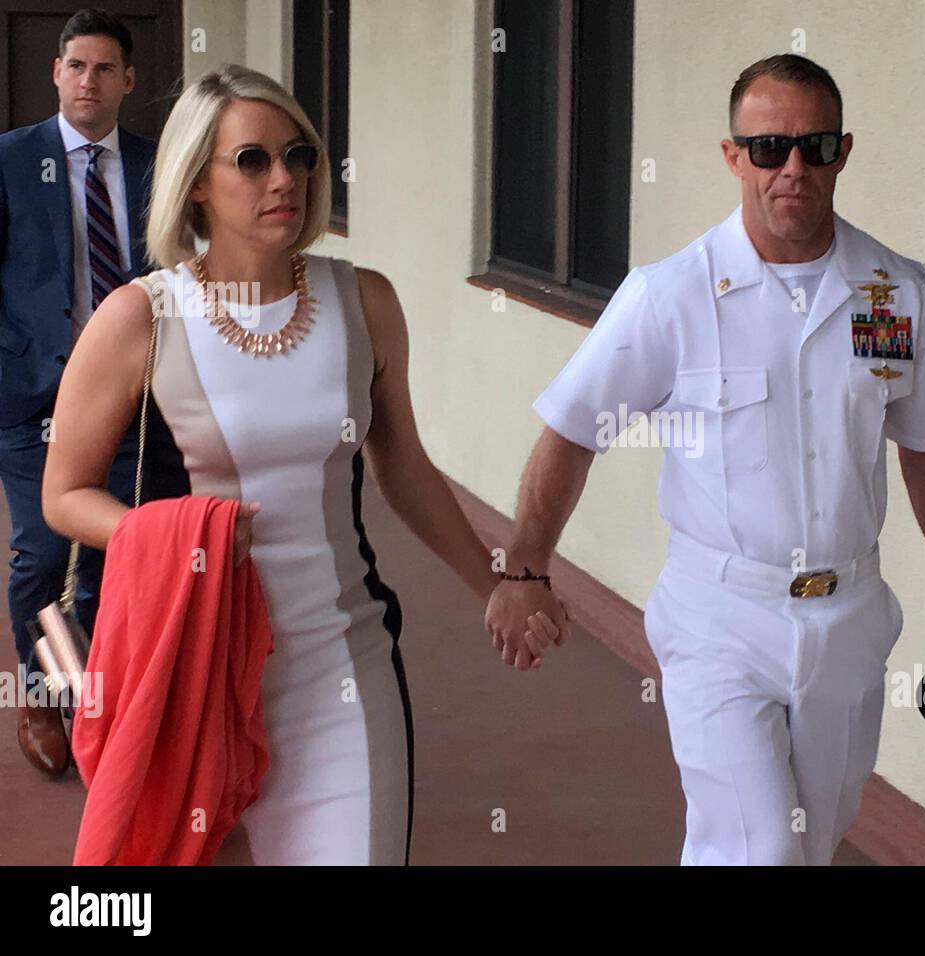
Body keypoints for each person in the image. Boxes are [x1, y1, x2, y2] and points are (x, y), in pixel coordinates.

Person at [485, 53, 925, 865]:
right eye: (768, 149)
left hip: (849, 615)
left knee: (814, 835)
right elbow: (574, 429)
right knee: (756, 845)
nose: (791, 167)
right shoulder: (671, 297)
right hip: (718, 618)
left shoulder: (892, 292)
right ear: (733, 157)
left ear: (843, 152)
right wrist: (525, 571)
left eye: (814, 145)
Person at [42, 64, 563, 865]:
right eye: (251, 161)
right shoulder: (142, 316)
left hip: (341, 665)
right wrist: (177, 537)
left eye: (300, 155)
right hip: (199, 670)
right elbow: (64, 493)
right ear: (196, 185)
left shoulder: (366, 302)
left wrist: (495, 581)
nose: (283, 177)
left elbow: (406, 470)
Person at [0, 8, 188, 776]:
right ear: (56, 72)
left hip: (138, 396)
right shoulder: (11, 159)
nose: (89, 80)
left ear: (128, 82)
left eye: (106, 69)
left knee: (120, 552)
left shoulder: (157, 166)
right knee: (40, 557)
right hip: (34, 396)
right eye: (77, 65)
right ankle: (44, 693)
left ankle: (98, 701)